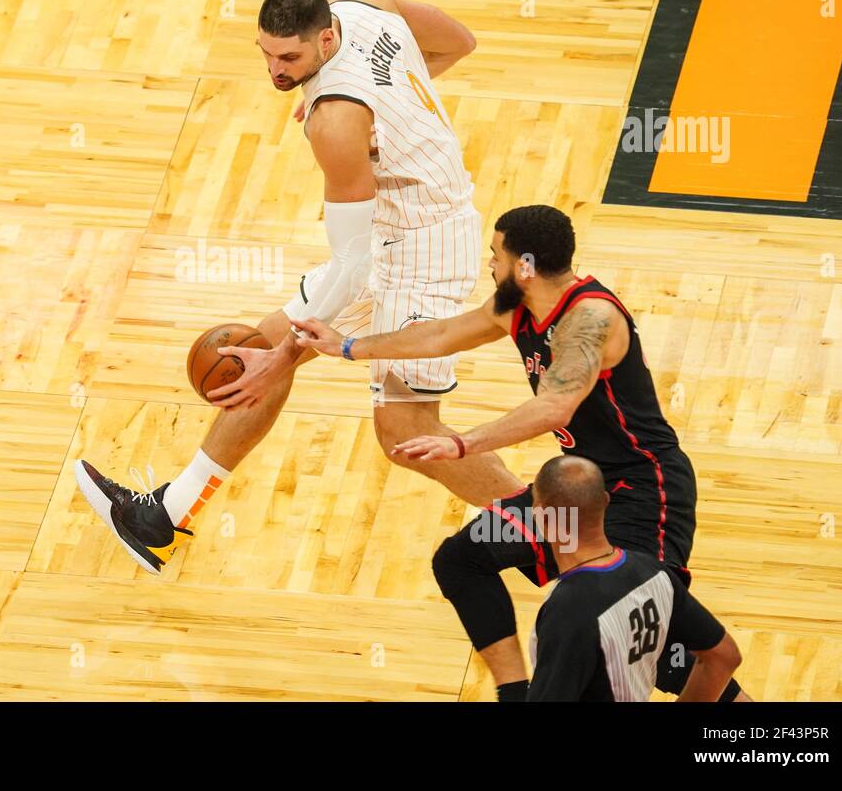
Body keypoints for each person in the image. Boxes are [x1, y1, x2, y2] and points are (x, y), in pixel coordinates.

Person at [75, 0, 523, 573]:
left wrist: (287, 354)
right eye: (266, 53)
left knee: (404, 432)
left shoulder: (334, 121)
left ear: (327, 35)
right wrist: (379, 115)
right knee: (251, 354)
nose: (275, 70)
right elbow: (458, 43)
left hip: (423, 254)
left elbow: (353, 262)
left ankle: (550, 529)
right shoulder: (367, 1)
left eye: (289, 59)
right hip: (397, 235)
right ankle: (168, 517)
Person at [293, 203, 749, 701]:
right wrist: (348, 346)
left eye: (496, 255)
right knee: (462, 559)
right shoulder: (517, 306)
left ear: (524, 266)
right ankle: (515, 692)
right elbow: (442, 334)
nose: (491, 264)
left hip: (643, 491)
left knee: (663, 650)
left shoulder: (590, 320)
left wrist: (462, 443)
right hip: (575, 491)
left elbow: (555, 407)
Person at [525, 455, 742, 701]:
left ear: (543, 517)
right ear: (605, 502)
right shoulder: (653, 572)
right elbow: (724, 656)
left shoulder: (568, 609)